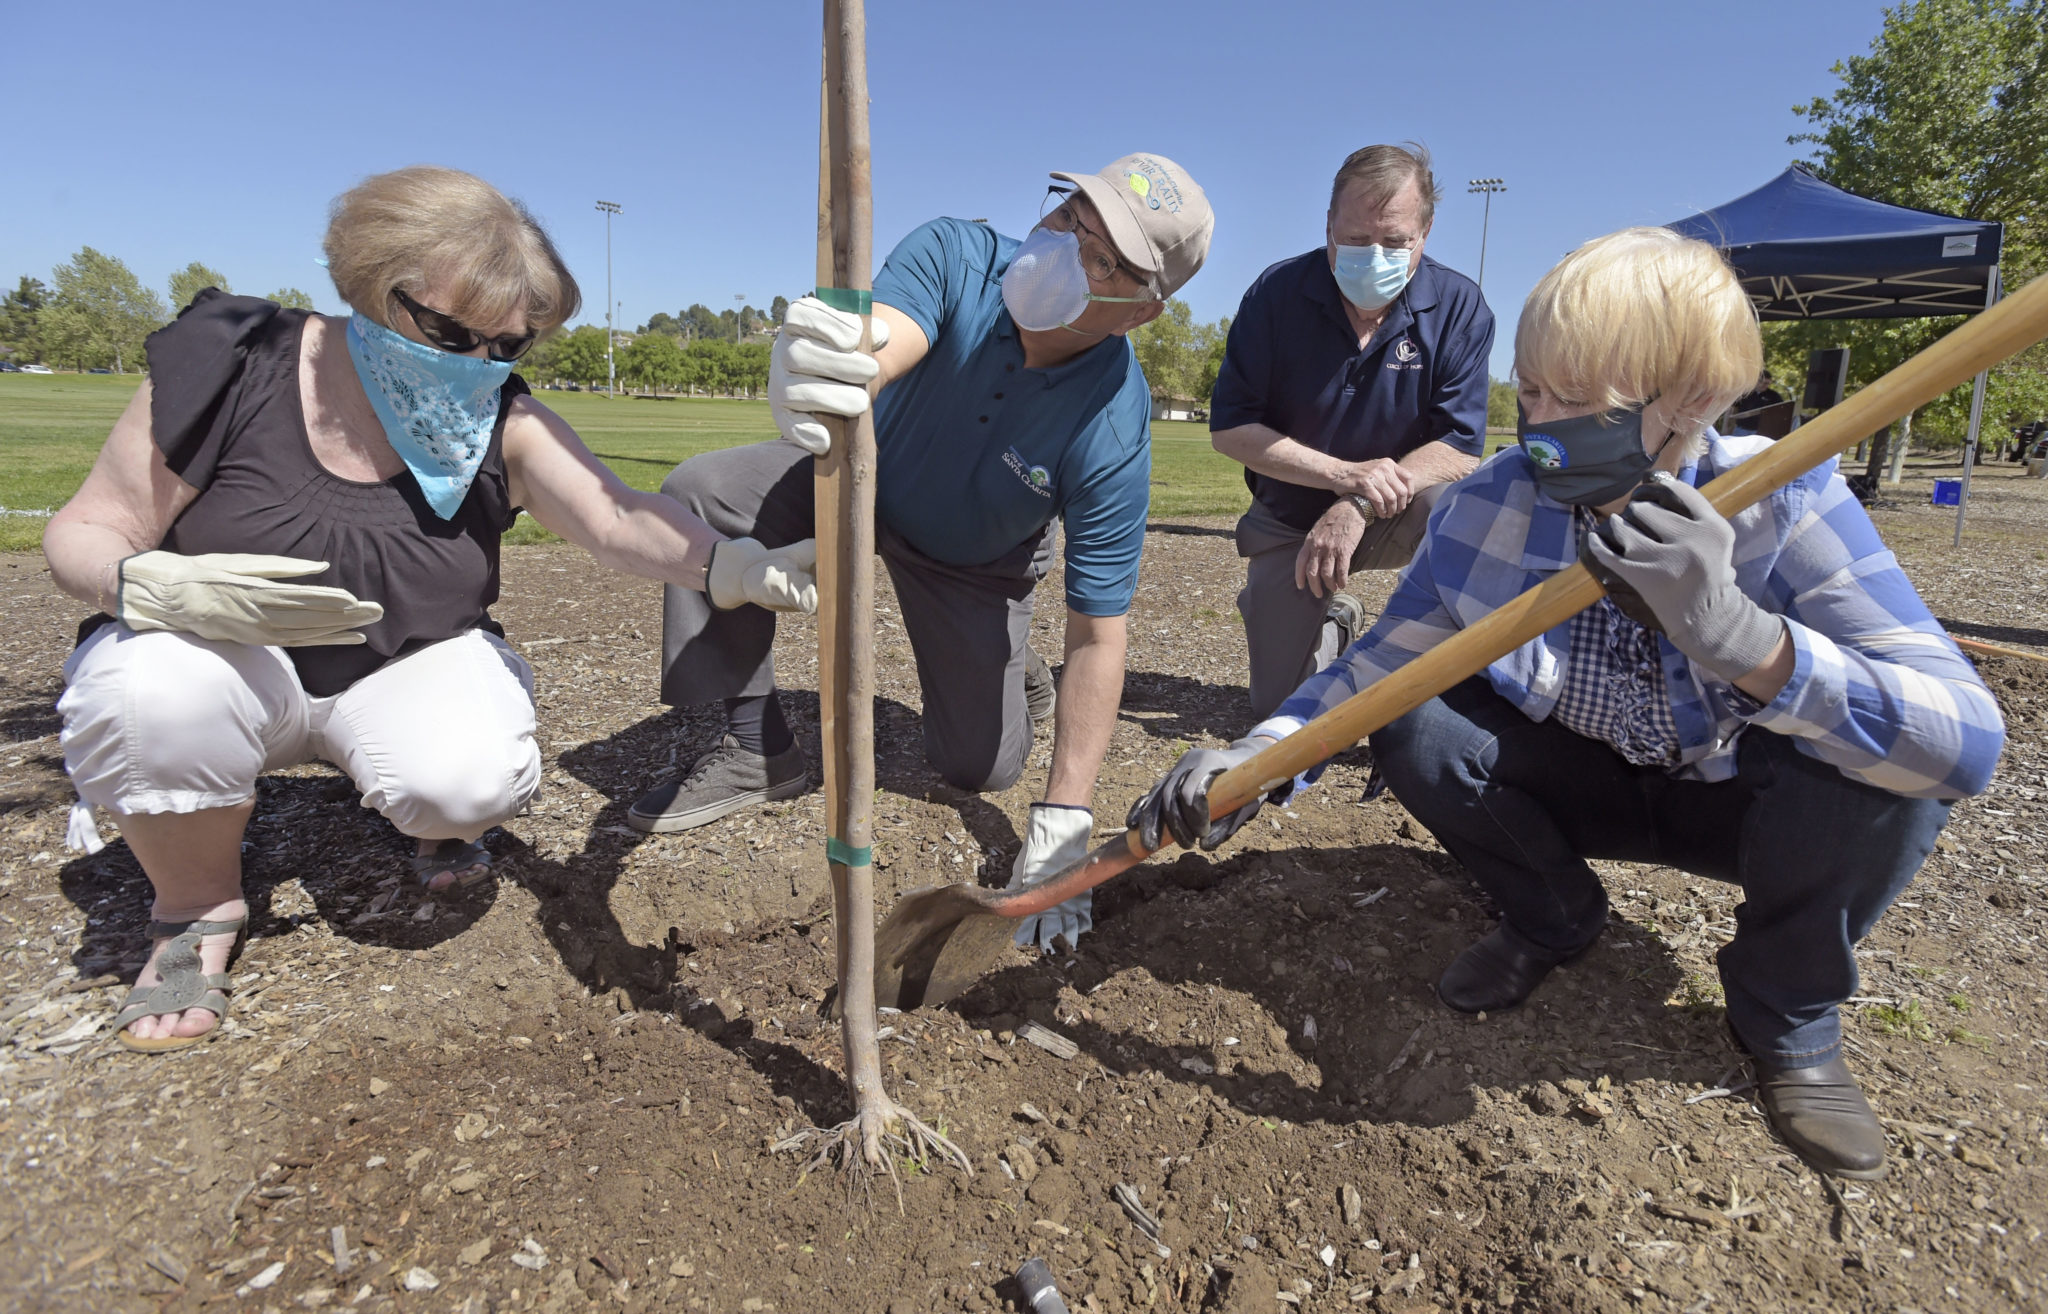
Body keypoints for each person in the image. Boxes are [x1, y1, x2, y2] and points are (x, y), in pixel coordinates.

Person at [1129, 227, 2004, 1179]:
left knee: (1888, 766)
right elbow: (1372, 672)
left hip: (1749, 801)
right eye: (1532, 391)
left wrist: (1742, 640)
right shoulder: (1487, 506)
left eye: (1577, 402)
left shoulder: (1786, 502)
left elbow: (1962, 744)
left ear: (1691, 401)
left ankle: (1787, 1011)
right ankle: (1553, 916)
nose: (1540, 428)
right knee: (1416, 723)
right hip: (1580, 777)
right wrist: (1254, 759)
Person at [43, 167, 817, 1052]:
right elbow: (87, 528)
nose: (479, 363)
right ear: (376, 286)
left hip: (402, 662)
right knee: (145, 691)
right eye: (453, 333)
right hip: (226, 664)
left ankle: (431, 821)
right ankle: (195, 908)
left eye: (510, 344)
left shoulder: (494, 414)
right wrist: (143, 585)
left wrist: (731, 566)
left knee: (468, 776)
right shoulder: (238, 362)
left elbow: (612, 515)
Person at [628, 154, 1213, 953]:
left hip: (978, 563)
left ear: (1140, 312)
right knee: (701, 494)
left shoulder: (1112, 423)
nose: (1063, 247)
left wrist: (1064, 821)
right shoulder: (958, 255)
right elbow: (887, 338)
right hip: (860, 480)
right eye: (1068, 215)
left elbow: (1098, 634)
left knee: (978, 766)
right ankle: (756, 748)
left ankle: (1017, 668)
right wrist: (834, 363)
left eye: (1102, 257)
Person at [1208, 143, 1493, 718]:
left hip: (1397, 508)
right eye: (1356, 239)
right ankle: (1334, 625)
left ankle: (1446, 692)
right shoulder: (1276, 293)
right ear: (1329, 225)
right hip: (1291, 517)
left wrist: (1358, 500)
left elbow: (1461, 446)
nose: (1374, 256)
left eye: (1395, 241)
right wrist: (1344, 476)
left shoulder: (1460, 306)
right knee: (1281, 711)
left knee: (1463, 512)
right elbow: (1232, 429)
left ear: (1425, 233)